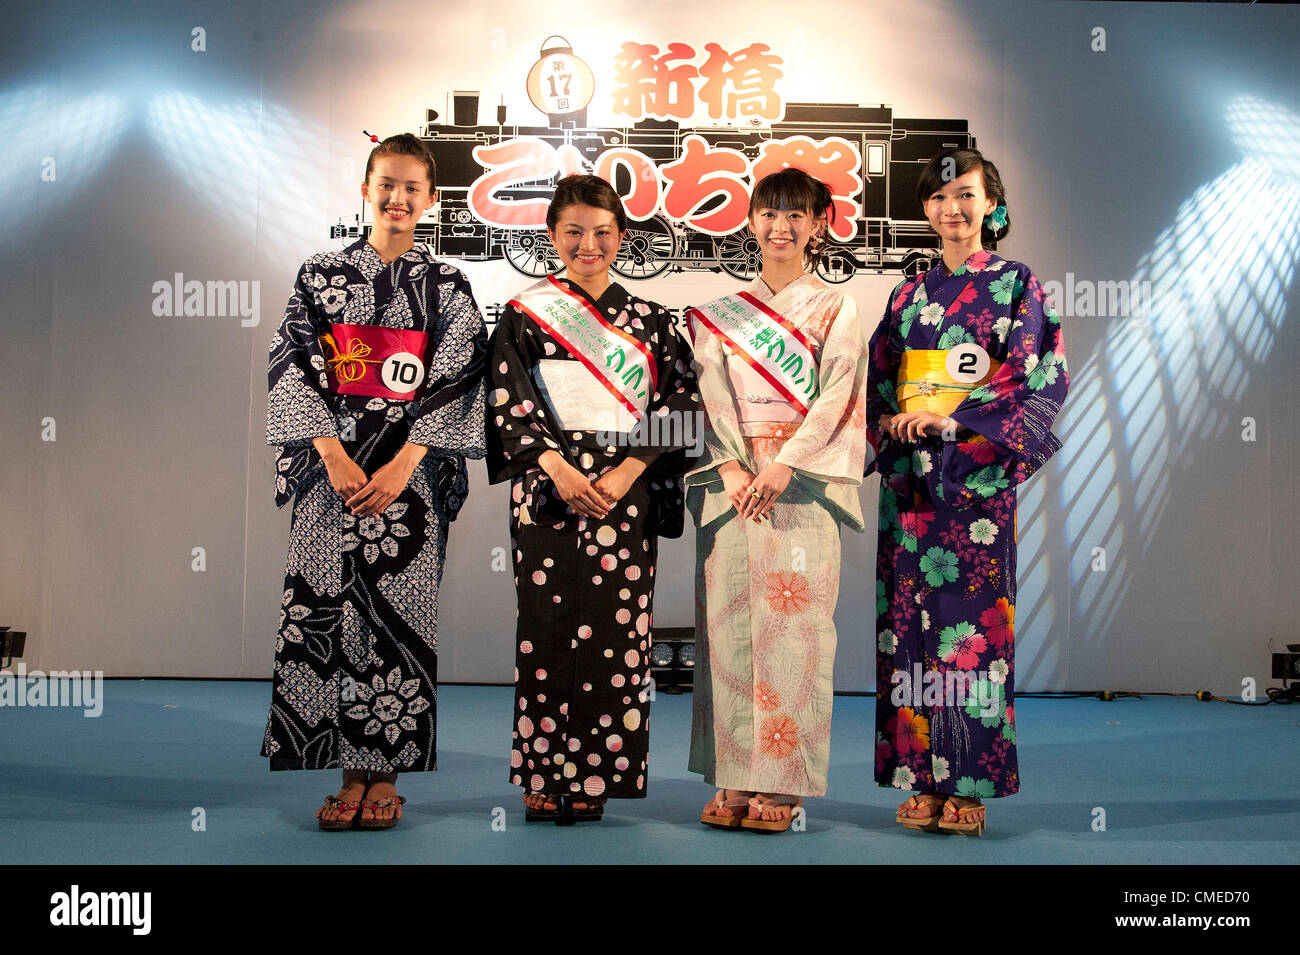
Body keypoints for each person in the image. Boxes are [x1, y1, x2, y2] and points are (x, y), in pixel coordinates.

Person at [262, 133, 487, 830]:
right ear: (365, 189)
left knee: (398, 622)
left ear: (432, 199)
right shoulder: (319, 274)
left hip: (407, 484)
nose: (397, 198)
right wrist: (330, 455)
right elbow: (294, 365)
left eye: (412, 188)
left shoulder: (447, 286)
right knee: (323, 612)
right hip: (332, 474)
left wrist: (403, 463)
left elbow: (459, 376)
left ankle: (384, 776)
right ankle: (344, 772)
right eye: (385, 184)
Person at [866, 147, 1068, 835]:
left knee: (969, 632)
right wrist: (892, 417)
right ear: (925, 209)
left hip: (971, 484)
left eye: (966, 194)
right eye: (939, 196)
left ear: (992, 204)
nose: (952, 207)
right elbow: (881, 376)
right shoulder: (907, 294)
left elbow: (1034, 376)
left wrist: (957, 419)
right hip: (911, 486)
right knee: (906, 627)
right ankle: (921, 775)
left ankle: (970, 781)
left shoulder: (1017, 284)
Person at [486, 174, 699, 823]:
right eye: (574, 231)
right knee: (544, 632)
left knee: (617, 635)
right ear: (553, 236)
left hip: (620, 496)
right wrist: (554, 466)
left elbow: (684, 406)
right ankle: (544, 769)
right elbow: (506, 399)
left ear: (622, 238)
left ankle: (596, 772)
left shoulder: (654, 323)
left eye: (602, 232)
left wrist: (628, 469)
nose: (588, 244)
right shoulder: (526, 314)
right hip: (549, 493)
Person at [686, 168, 868, 833]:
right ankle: (735, 773)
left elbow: (841, 392)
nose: (781, 226)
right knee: (729, 630)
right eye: (769, 212)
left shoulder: (834, 308)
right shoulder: (720, 316)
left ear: (820, 224)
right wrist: (732, 468)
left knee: (794, 634)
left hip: (801, 483)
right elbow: (707, 395)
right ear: (751, 220)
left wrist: (787, 464)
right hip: (734, 485)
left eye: (798, 215)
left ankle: (783, 781)